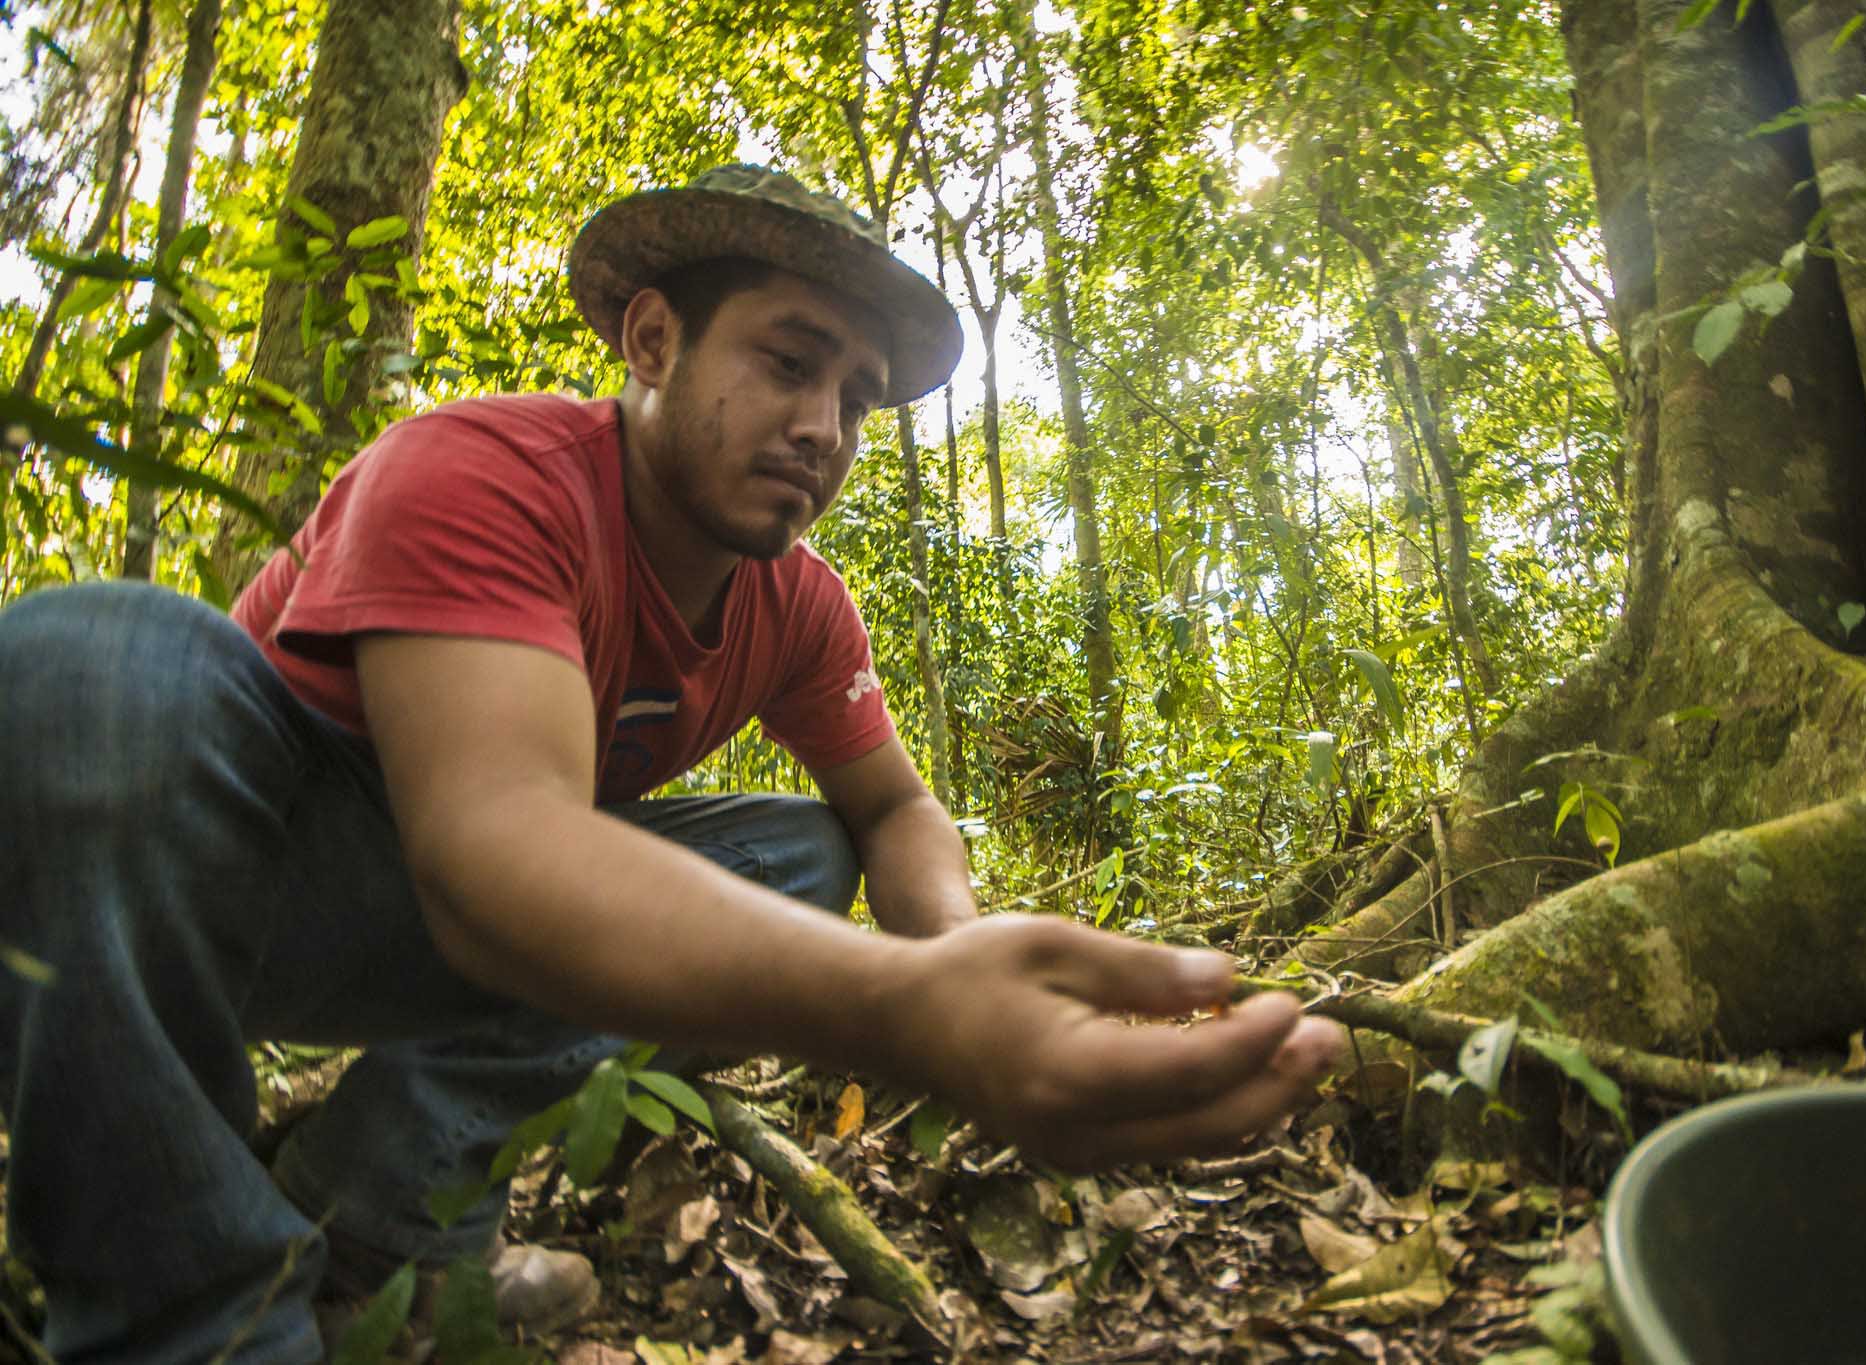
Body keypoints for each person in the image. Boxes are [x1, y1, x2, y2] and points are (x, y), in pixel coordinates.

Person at [0, 164, 1344, 1361]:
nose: (823, 424)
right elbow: (492, 849)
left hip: (458, 926)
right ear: (652, 340)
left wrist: (958, 952)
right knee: (95, 658)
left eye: (855, 397)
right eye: (788, 360)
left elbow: (892, 802)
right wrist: (904, 1010)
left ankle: (387, 1216)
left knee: (799, 850)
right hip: (243, 879)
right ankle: (197, 1309)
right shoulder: (481, 473)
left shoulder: (797, 603)